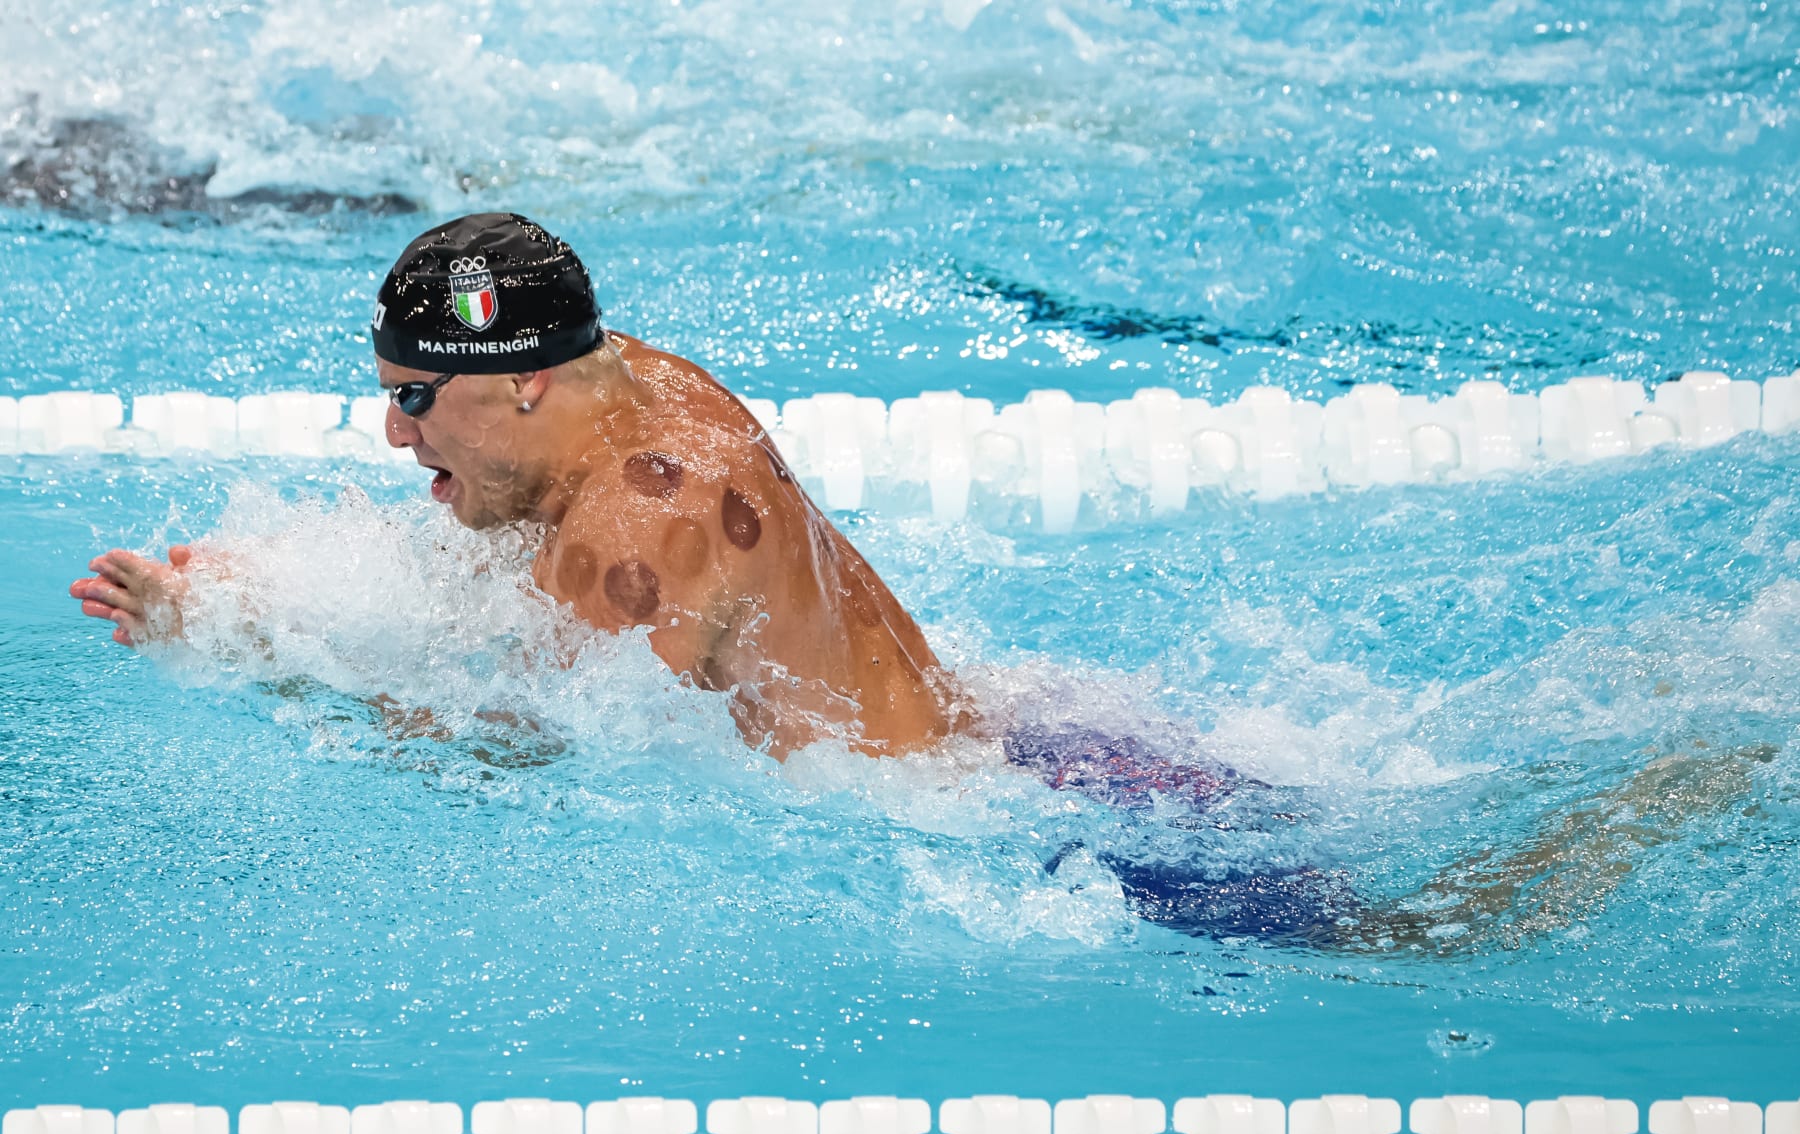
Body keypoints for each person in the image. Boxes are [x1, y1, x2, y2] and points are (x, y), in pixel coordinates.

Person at [67, 213, 1768, 951]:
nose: (388, 436)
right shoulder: (640, 382)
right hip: (1020, 733)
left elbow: (517, 755)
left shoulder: (631, 536)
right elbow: (509, 580)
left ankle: (1711, 772)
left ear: (518, 386)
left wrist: (251, 650)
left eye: (412, 399)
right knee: (1388, 810)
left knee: (1433, 939)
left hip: (999, 830)